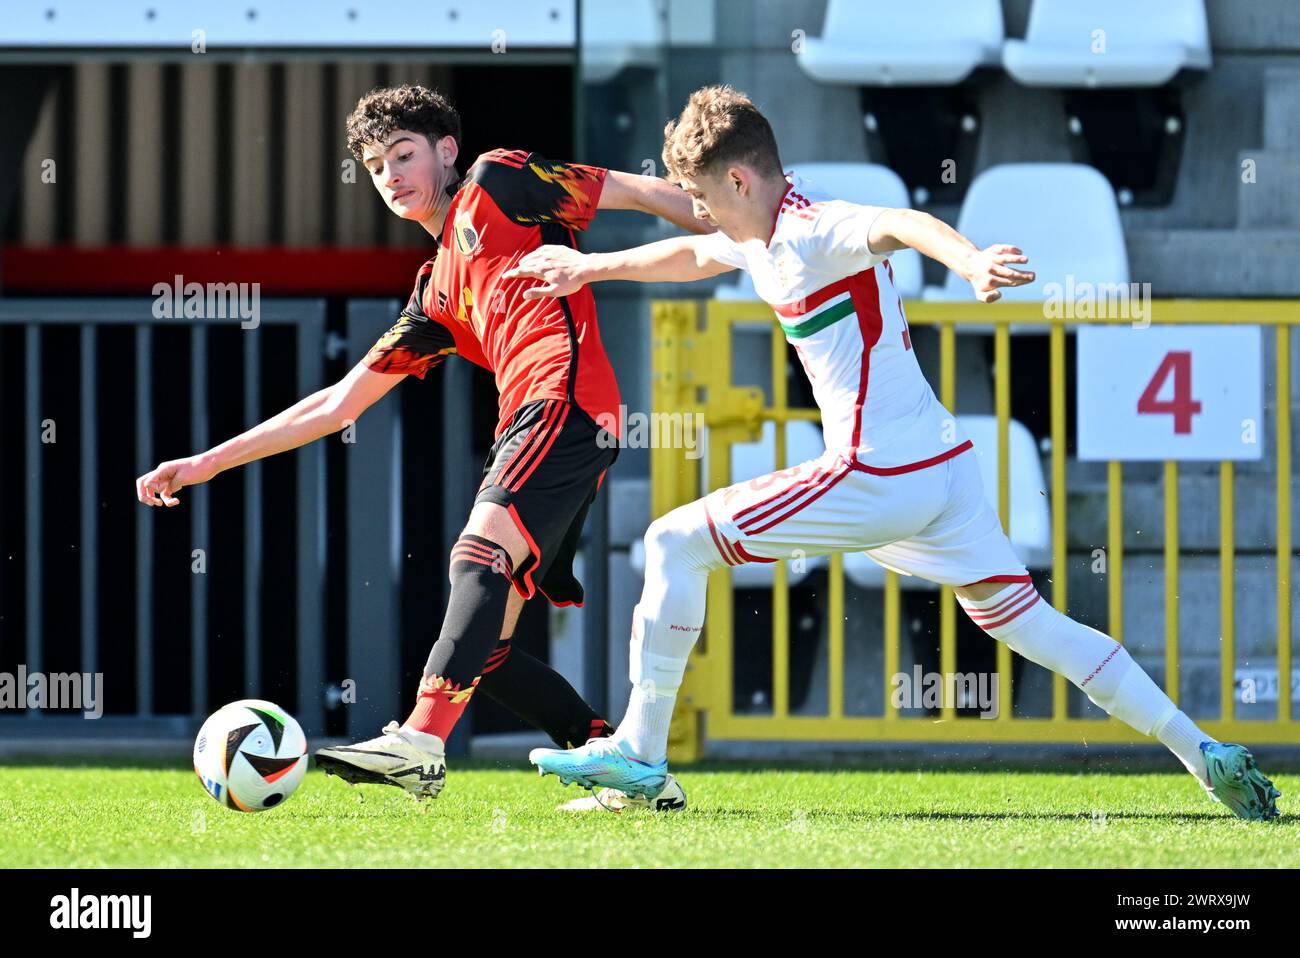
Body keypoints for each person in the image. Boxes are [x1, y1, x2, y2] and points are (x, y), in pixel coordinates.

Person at [508, 85, 1281, 822]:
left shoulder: (814, 226)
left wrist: (971, 262)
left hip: (880, 472)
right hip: (940, 469)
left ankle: (641, 755)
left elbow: (905, 221)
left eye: (706, 199)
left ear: (739, 180)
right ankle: (1202, 751)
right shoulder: (761, 229)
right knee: (1036, 627)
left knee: (671, 540)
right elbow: (700, 257)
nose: (701, 215)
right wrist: (591, 268)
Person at [136, 84, 698, 810]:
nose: (390, 175)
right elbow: (339, 404)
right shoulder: (433, 293)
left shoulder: (499, 179)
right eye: (374, 166)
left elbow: (641, 191)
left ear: (446, 152)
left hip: (562, 405)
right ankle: (629, 768)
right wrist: (206, 461)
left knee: (477, 558)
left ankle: (419, 743)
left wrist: (757, 233)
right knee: (483, 644)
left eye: (403, 155)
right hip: (545, 424)